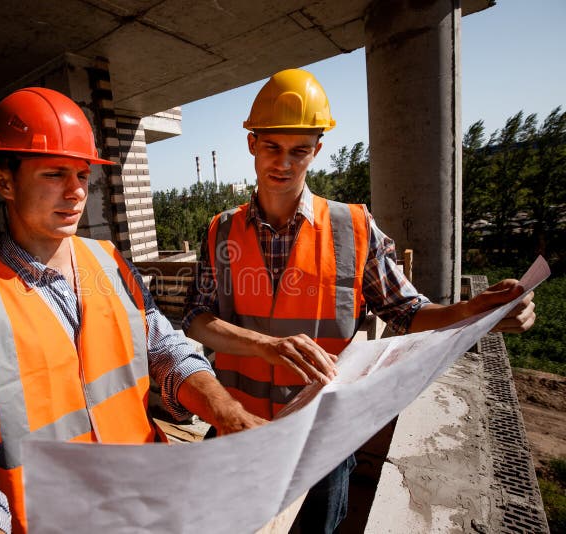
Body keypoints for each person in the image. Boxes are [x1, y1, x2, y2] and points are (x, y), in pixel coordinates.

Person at [183, 69, 536, 533]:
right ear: (252, 143)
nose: (284, 164)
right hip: (239, 424)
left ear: (317, 150)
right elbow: (196, 319)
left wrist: (472, 313)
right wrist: (265, 346)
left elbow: (407, 313)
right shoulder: (221, 230)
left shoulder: (353, 227)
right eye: (272, 146)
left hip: (323, 434)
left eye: (299, 150)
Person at [0, 87, 265, 534]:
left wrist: (224, 410)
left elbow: (166, 351)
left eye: (82, 174)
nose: (75, 193)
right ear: (4, 182)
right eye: (54, 174)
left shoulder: (109, 262)